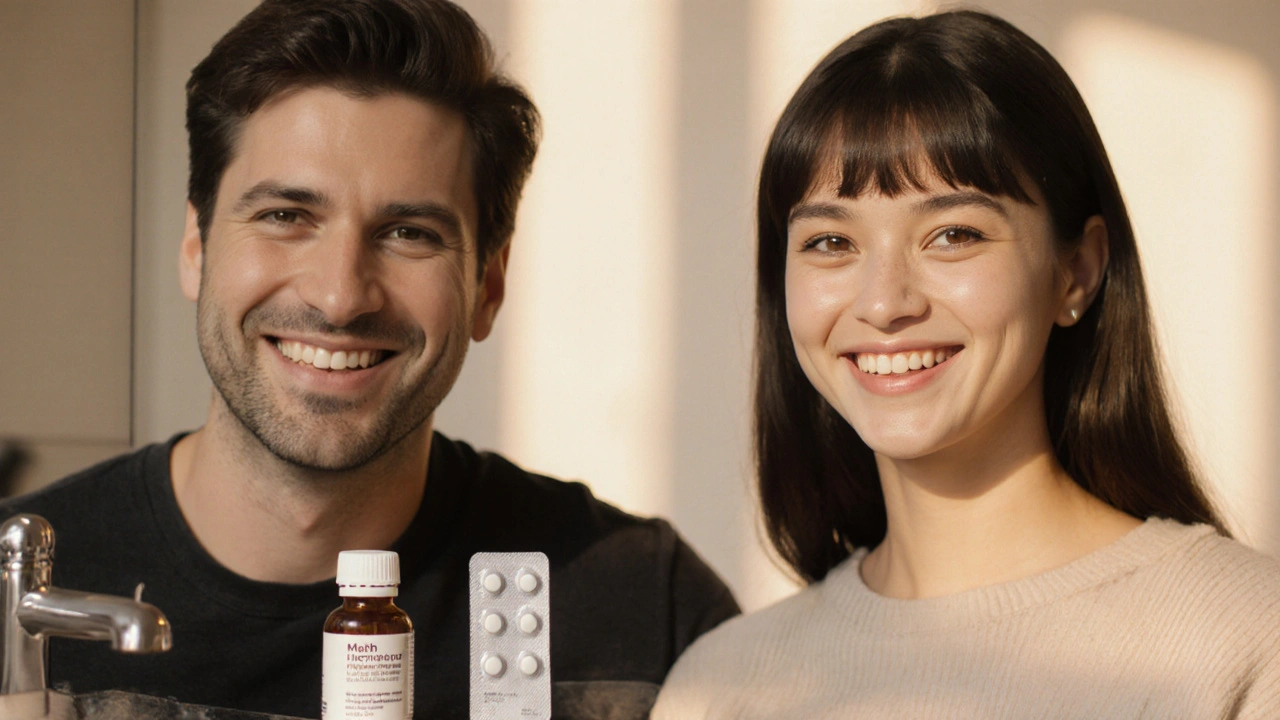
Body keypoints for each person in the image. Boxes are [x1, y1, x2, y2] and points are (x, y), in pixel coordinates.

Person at [0, 1, 737, 717]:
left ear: (488, 286)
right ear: (196, 247)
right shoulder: (17, 599)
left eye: (410, 232)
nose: (340, 295)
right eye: (286, 216)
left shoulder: (643, 612)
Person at [652, 9, 1280, 719]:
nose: (884, 303)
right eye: (831, 243)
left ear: (1076, 272)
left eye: (953, 234)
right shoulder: (720, 688)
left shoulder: (1244, 646)